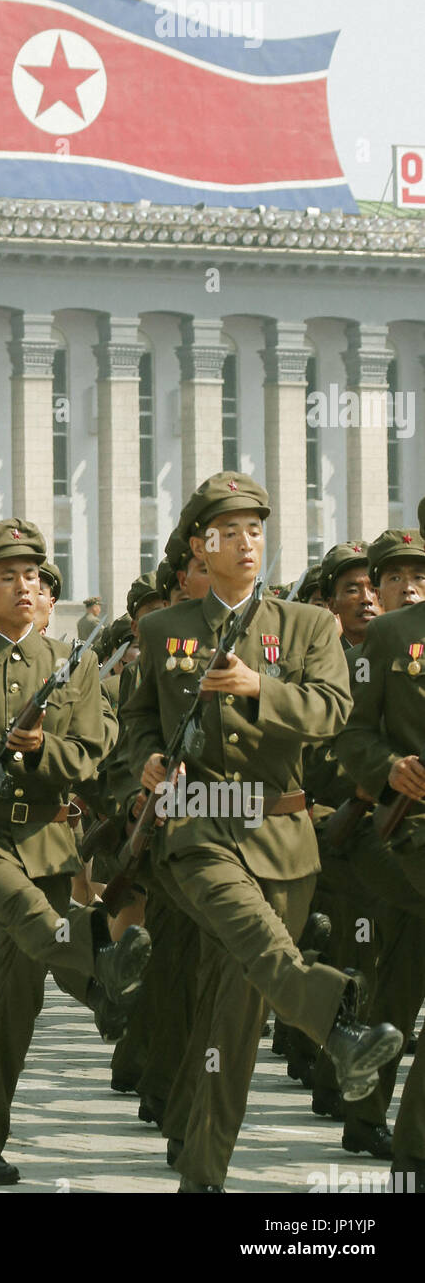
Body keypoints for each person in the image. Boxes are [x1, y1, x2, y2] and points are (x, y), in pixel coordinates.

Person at [121, 471, 403, 1192]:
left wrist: (259, 690)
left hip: (281, 833)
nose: (246, 543)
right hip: (198, 825)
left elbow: (335, 712)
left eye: (255, 530)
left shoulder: (305, 626)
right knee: (249, 932)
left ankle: (202, 1174)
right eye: (229, 531)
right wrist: (147, 761)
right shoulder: (160, 630)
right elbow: (138, 724)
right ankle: (335, 1026)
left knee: (233, 1024)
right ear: (198, 545)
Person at [0, 519, 149, 1185]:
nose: (24, 586)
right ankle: (99, 972)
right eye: (7, 575)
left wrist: (45, 751)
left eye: (34, 575)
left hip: (46, 841)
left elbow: (93, 755)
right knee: (19, 911)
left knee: (14, 1003)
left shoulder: (75, 664)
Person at [334, 510, 425, 1191]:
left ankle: (404, 1139)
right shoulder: (391, 638)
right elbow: (353, 740)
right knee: (393, 976)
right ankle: (371, 1117)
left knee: (402, 976)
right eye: (398, 576)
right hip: (401, 839)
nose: (406, 586)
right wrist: (390, 769)